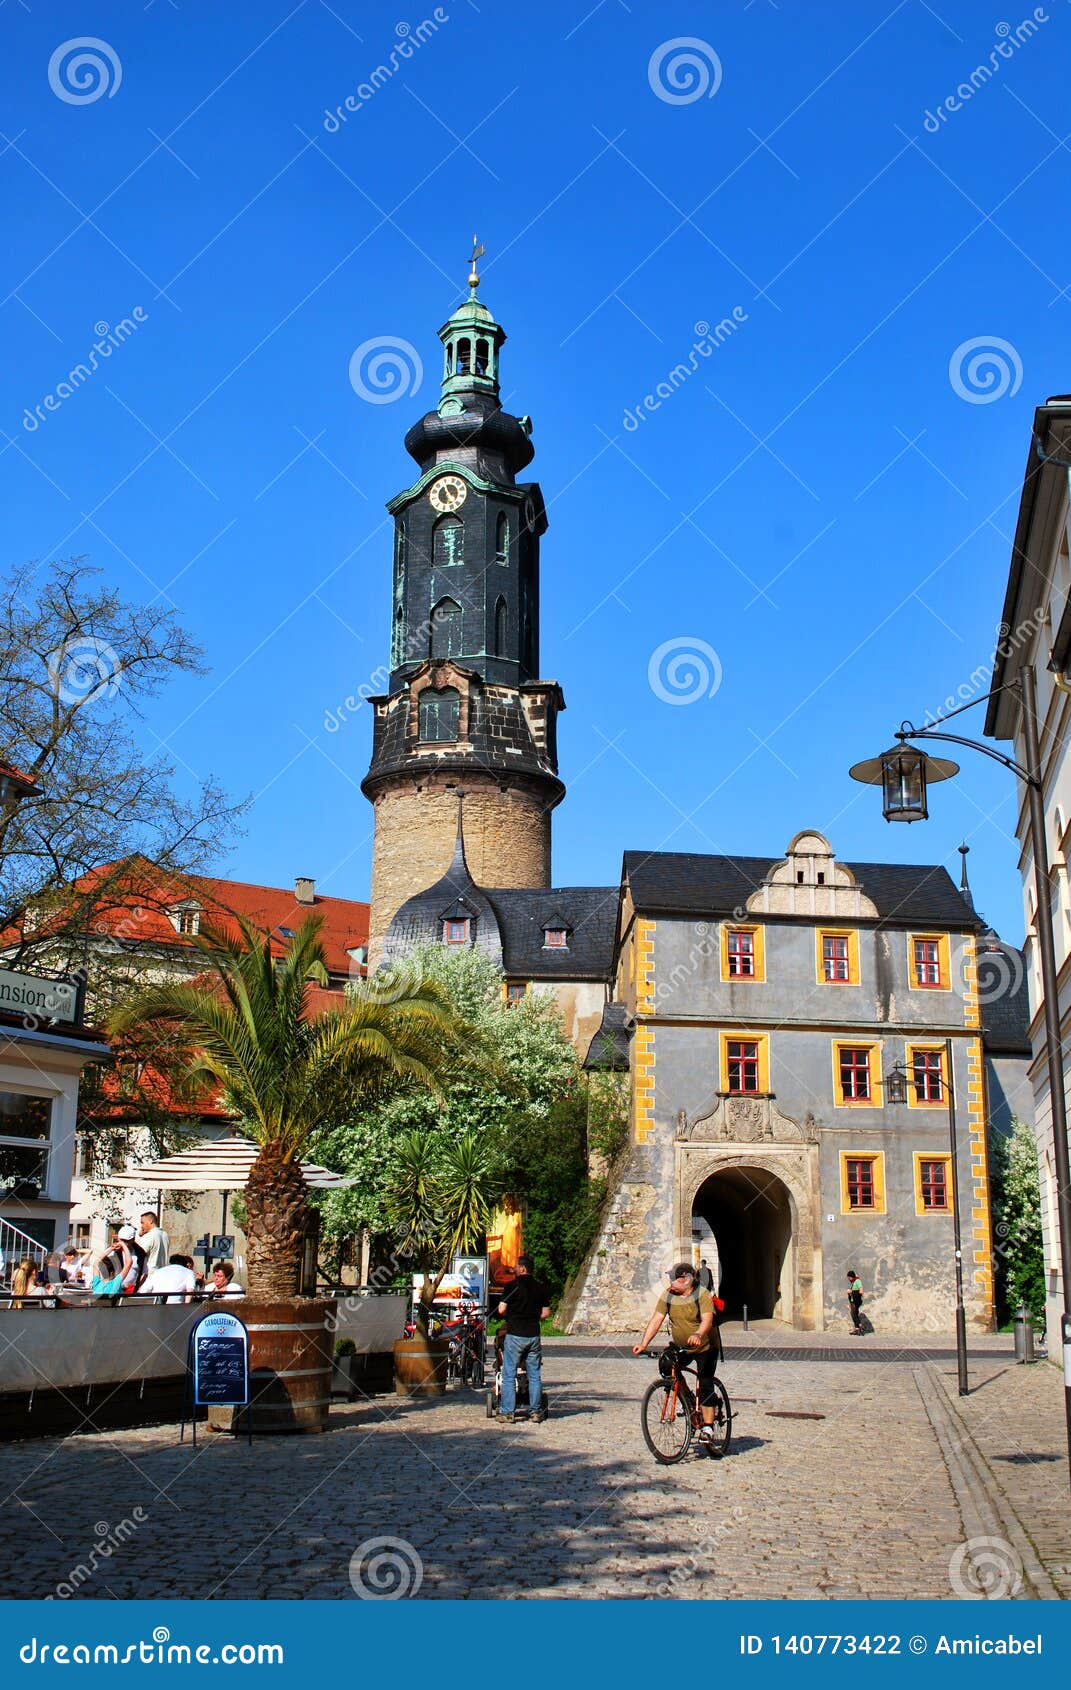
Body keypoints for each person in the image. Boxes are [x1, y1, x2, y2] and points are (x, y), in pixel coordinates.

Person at [633, 1262, 725, 1450]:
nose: (670, 1282)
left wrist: (698, 1334)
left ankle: (707, 1428)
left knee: (705, 1383)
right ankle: (686, 1399)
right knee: (666, 1364)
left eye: (673, 1278)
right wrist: (644, 1344)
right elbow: (657, 1319)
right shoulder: (668, 1295)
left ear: (685, 1280)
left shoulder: (702, 1295)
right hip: (682, 1346)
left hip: (705, 1347)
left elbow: (707, 1320)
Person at [496, 1254, 549, 1423]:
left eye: (516, 1267)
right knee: (534, 1375)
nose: (514, 1269)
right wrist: (532, 1316)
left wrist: (515, 1314)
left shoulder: (511, 1286)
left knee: (509, 1373)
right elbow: (545, 1313)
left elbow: (501, 1310)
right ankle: (535, 1411)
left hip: (515, 1334)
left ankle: (508, 1412)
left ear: (522, 1268)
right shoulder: (540, 1288)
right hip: (533, 1334)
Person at [92, 1231, 133, 1303]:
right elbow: (129, 1262)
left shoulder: (96, 1284)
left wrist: (111, 1248)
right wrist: (123, 1244)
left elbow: (95, 1263)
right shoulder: (115, 1283)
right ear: (111, 1272)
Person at [138, 1211, 170, 1277]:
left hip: (150, 1275)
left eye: (142, 1223)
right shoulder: (165, 1235)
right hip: (163, 1273)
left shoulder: (149, 1236)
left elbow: (140, 1255)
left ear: (151, 1221)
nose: (141, 1226)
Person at [847, 1269, 865, 1335]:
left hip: (856, 1301)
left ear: (851, 1276)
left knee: (854, 1314)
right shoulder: (853, 1282)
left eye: (849, 1277)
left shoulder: (858, 1281)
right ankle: (857, 1329)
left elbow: (861, 1291)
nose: (848, 1279)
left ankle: (860, 1326)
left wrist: (851, 1291)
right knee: (854, 1314)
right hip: (853, 1301)